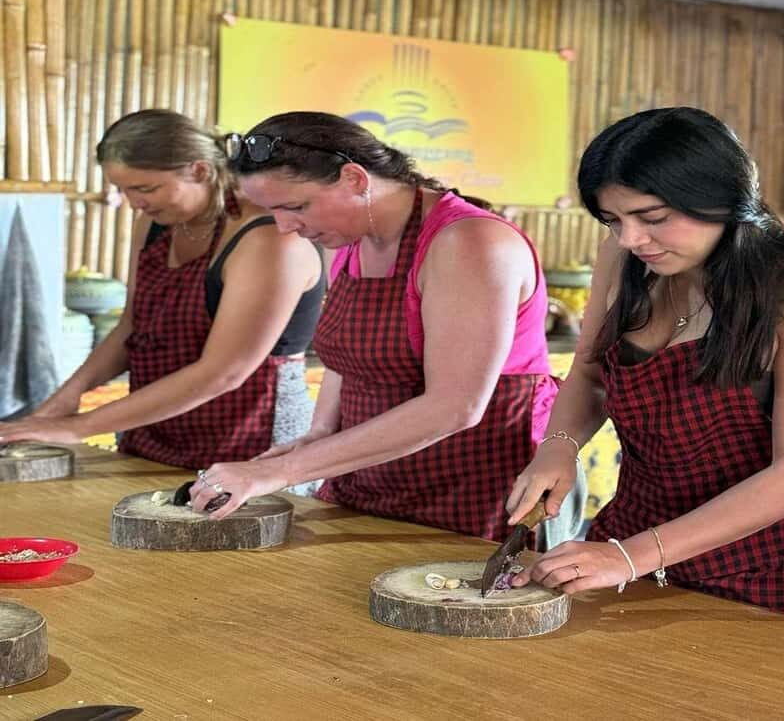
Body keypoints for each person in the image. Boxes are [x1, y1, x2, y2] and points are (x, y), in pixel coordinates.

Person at [506, 106, 784, 627]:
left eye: (651, 218)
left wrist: (630, 556)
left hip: (767, 564)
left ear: (721, 197)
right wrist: (558, 449)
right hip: (633, 532)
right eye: (613, 220)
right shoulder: (626, 257)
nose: (629, 239)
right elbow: (587, 372)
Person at [188, 111, 585, 544]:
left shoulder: (470, 242)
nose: (286, 227)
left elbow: (455, 407)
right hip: (370, 479)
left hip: (477, 483)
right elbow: (344, 359)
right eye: (274, 212)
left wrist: (275, 472)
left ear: (355, 179)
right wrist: (320, 433)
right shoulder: (354, 238)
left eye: (296, 207)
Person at [0, 110, 325, 486]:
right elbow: (132, 326)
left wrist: (79, 428)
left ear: (200, 171)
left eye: (145, 189)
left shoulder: (269, 238)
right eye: (123, 190)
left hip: (249, 437)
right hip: (152, 426)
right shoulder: (157, 223)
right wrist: (66, 397)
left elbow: (223, 373)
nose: (133, 202)